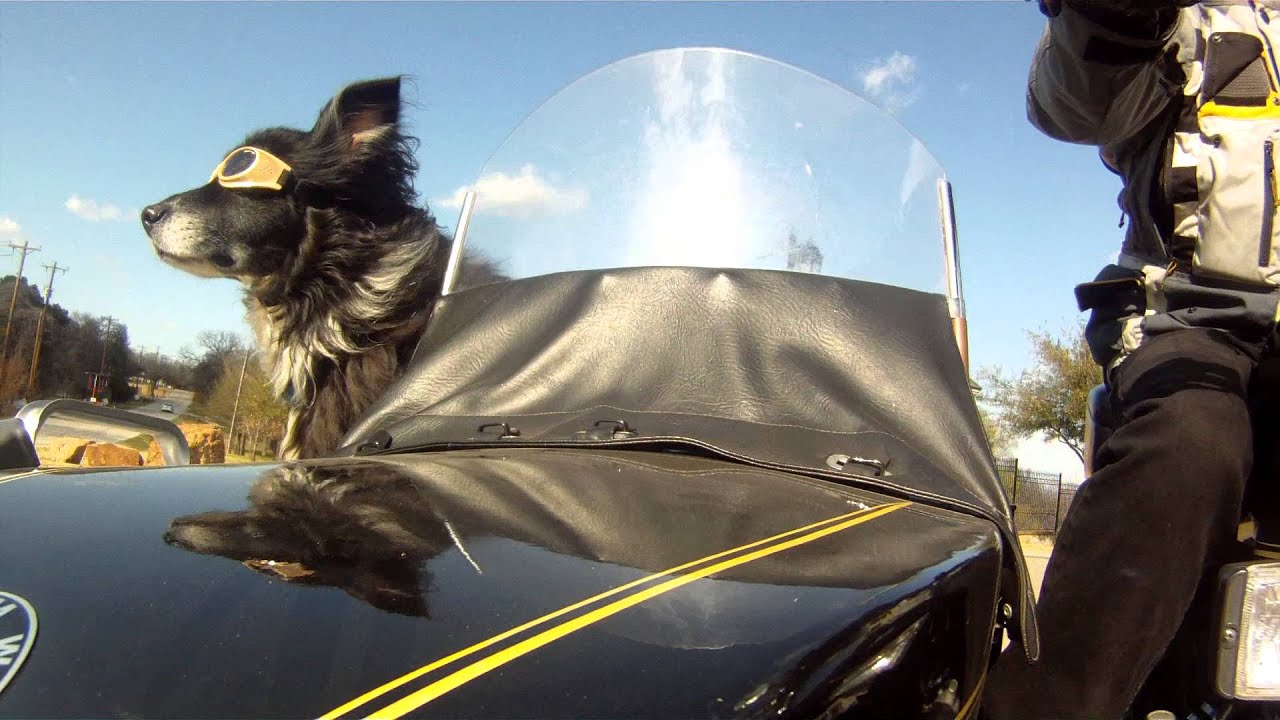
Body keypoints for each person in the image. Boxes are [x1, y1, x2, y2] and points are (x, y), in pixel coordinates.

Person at [983, 0, 1280, 717]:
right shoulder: (1190, 22)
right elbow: (1073, 104)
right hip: (1195, 322)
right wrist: (1111, 18)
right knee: (1192, 441)